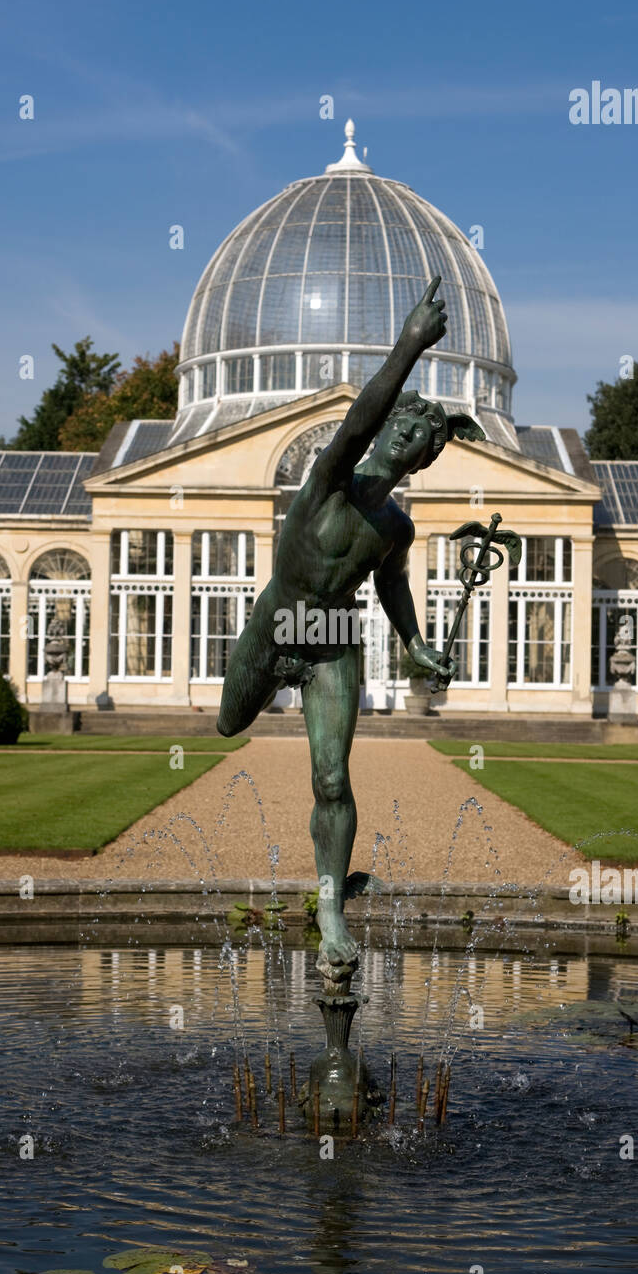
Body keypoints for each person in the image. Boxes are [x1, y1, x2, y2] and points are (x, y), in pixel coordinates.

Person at [217, 276, 485, 977]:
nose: (408, 443)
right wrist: (408, 345)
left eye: (423, 442)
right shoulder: (330, 477)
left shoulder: (396, 525)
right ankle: (330, 891)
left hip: (332, 642)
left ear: (426, 458)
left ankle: (330, 904)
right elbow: (357, 421)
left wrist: (417, 645)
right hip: (277, 627)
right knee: (226, 725)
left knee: (332, 779)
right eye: (404, 429)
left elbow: (393, 585)